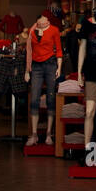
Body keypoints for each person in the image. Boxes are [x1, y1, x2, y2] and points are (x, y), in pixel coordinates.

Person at [24, 10, 62, 146]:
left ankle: (48, 134)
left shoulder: (54, 30)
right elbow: (29, 50)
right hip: (36, 66)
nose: (43, 22)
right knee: (34, 98)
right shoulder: (32, 31)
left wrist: (59, 67)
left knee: (51, 98)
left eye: (45, 20)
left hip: (51, 64)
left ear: (48, 20)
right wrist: (27, 70)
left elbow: (58, 49)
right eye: (41, 20)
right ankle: (34, 134)